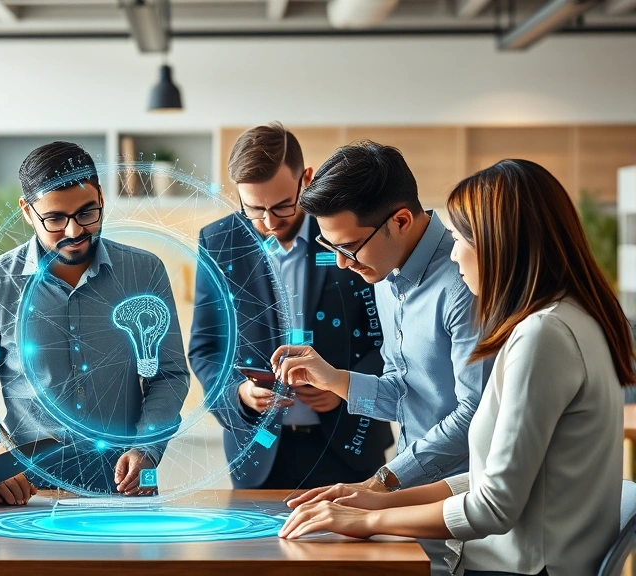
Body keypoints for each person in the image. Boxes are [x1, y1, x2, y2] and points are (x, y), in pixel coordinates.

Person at [278, 159, 633, 576]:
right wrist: (381, 497)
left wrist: (369, 516)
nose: (454, 251)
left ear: (501, 244)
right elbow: (493, 480)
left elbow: (492, 505)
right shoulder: (564, 320)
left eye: (460, 236)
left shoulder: (543, 336)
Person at [0, 141, 189, 501]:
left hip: (126, 488)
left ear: (102, 199)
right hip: (31, 491)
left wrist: (147, 450)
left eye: (87, 213)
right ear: (28, 212)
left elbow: (169, 375)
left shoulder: (144, 271)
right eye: (55, 219)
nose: (75, 232)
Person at [279, 141, 490, 499]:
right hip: (410, 490)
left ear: (401, 220)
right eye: (332, 248)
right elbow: (406, 394)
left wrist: (382, 481)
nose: (343, 263)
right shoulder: (384, 271)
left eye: (349, 247)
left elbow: (476, 414)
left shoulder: (464, 281)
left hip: (466, 502)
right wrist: (335, 380)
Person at [189, 123, 391, 490]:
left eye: (282, 205)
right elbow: (205, 348)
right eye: (254, 209)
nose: (268, 222)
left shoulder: (348, 230)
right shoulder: (218, 242)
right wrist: (239, 394)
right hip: (258, 456)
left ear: (307, 179)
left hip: (350, 445)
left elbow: (387, 337)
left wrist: (345, 388)